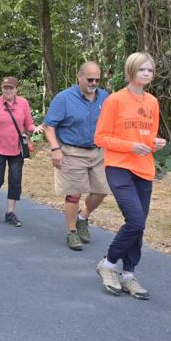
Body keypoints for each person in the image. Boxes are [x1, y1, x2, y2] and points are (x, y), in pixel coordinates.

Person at [94, 52, 165, 300]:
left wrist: (155, 143)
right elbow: (100, 138)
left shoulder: (153, 102)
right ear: (130, 71)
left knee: (139, 226)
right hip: (119, 166)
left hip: (144, 168)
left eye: (150, 70)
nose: (146, 74)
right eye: (142, 69)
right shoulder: (115, 100)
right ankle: (109, 263)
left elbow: (147, 137)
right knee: (135, 220)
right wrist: (131, 146)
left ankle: (128, 274)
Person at [43, 62, 110, 251]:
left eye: (97, 79)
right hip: (71, 151)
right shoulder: (64, 98)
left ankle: (83, 217)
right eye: (90, 79)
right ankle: (72, 232)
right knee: (74, 193)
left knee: (102, 190)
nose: (94, 83)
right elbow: (49, 126)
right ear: (78, 77)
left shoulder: (104, 97)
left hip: (98, 151)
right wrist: (55, 148)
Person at [0, 76, 41, 227]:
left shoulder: (23, 103)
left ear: (16, 89)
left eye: (11, 88)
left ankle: (10, 213)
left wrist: (34, 129)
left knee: (15, 180)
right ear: (2, 89)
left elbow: (29, 123)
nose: (8, 90)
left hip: (16, 149)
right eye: (5, 88)